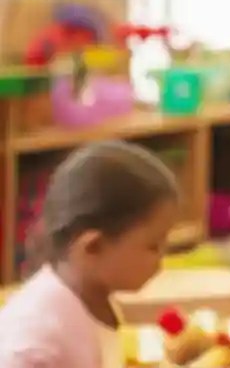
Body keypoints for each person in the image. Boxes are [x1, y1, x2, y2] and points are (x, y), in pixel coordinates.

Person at [0, 141, 180, 368]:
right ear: (92, 247)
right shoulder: (36, 344)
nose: (161, 261)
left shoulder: (93, 294)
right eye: (153, 246)